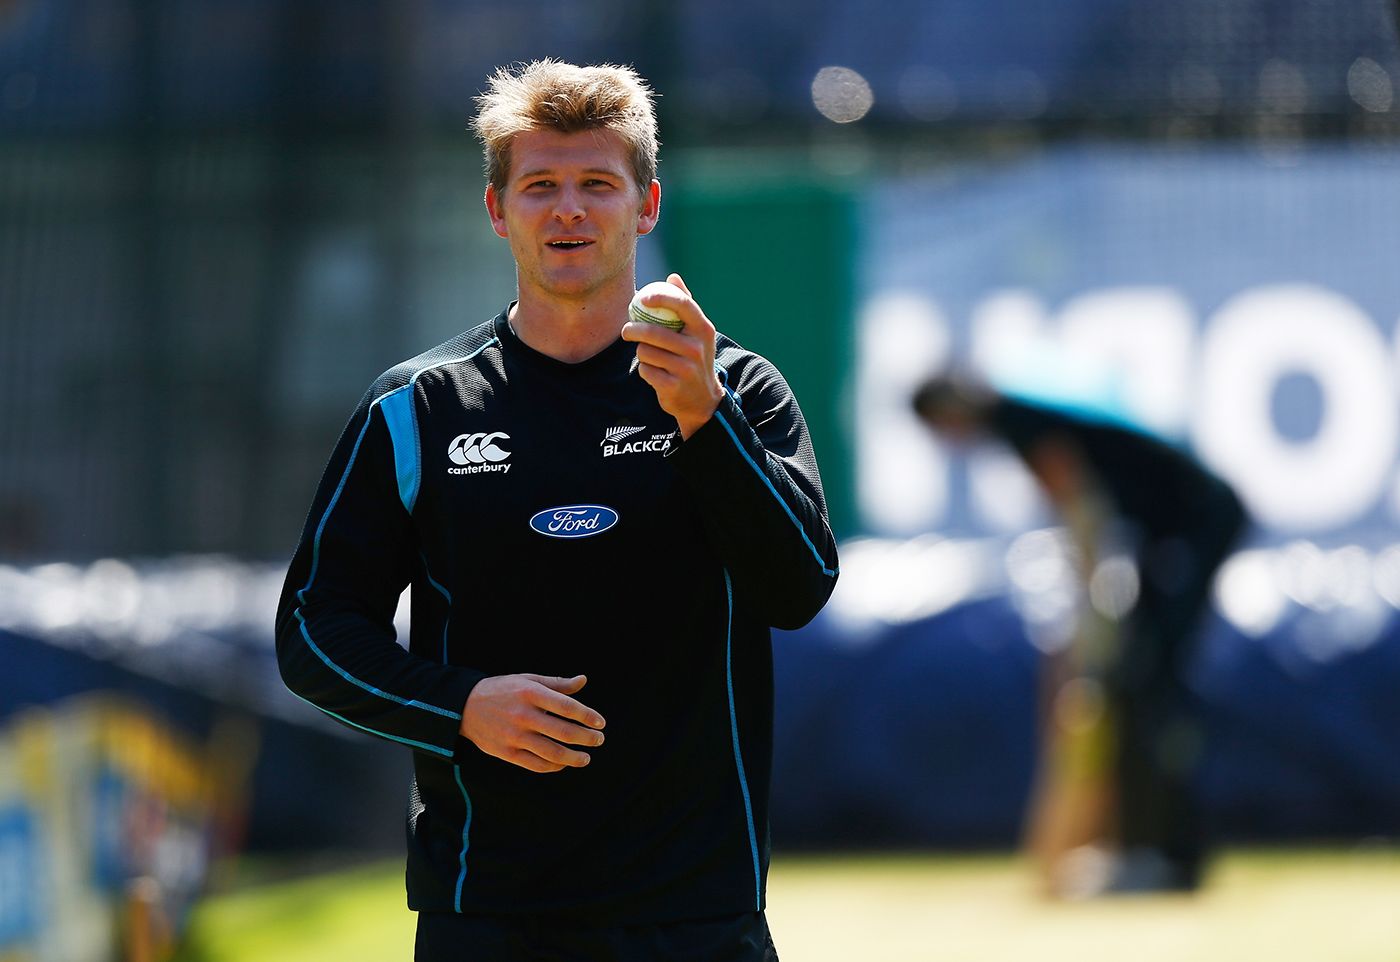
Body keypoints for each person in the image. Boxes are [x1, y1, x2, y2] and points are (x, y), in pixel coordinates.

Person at [275, 59, 838, 960]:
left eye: (596, 185)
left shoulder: (731, 385)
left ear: (645, 204)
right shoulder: (417, 408)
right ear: (499, 211)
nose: (568, 209)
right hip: (488, 908)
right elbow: (312, 631)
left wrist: (704, 419)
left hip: (696, 910)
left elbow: (800, 590)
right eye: (540, 185)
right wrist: (461, 706)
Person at [912, 374, 1245, 896]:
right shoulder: (1022, 409)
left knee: (1145, 683)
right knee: (1137, 682)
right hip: (1168, 535)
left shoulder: (1019, 421)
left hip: (1197, 526)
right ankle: (1148, 852)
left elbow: (1084, 515)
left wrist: (1092, 624)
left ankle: (1166, 858)